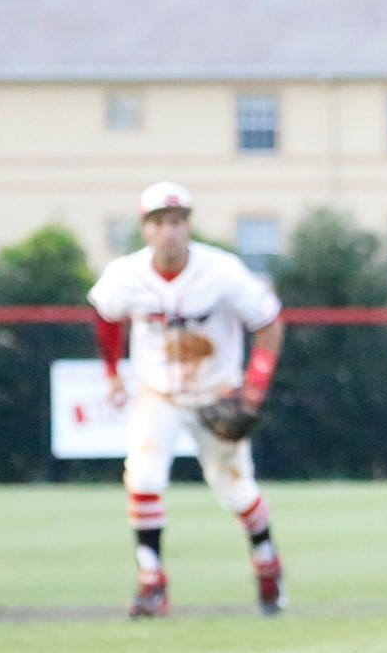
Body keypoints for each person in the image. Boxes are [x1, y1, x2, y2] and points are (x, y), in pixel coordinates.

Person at [89, 182, 289, 618]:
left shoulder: (222, 271)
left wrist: (253, 388)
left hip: (215, 393)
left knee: (235, 491)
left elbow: (270, 322)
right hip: (158, 392)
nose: (169, 231)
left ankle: (267, 563)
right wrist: (112, 373)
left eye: (177, 221)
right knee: (142, 478)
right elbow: (106, 316)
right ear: (146, 228)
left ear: (188, 225)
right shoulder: (126, 274)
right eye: (159, 222)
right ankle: (152, 582)